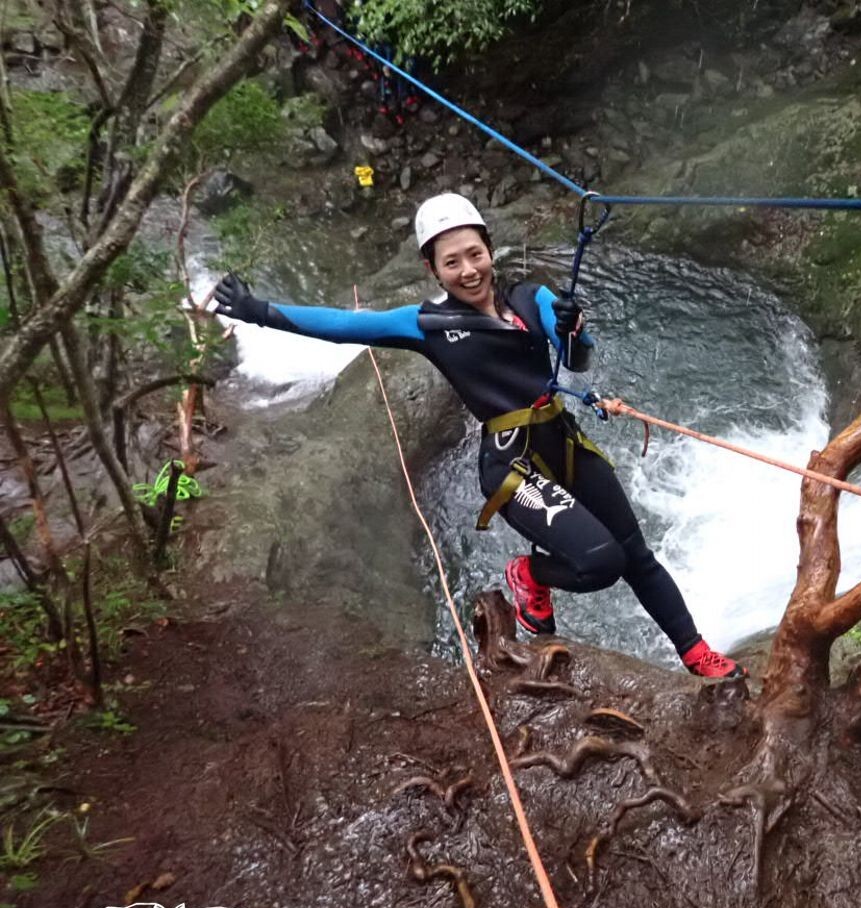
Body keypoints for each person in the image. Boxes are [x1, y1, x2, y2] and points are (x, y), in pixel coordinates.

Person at [214, 192, 744, 679]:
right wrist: (260, 312)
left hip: (564, 440)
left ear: (490, 249)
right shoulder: (427, 324)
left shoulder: (533, 297)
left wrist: (572, 327)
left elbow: (576, 360)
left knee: (637, 554)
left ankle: (696, 652)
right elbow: (346, 324)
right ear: (433, 270)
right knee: (603, 561)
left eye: (475, 254)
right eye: (452, 262)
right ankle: (529, 574)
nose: (468, 271)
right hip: (514, 466)